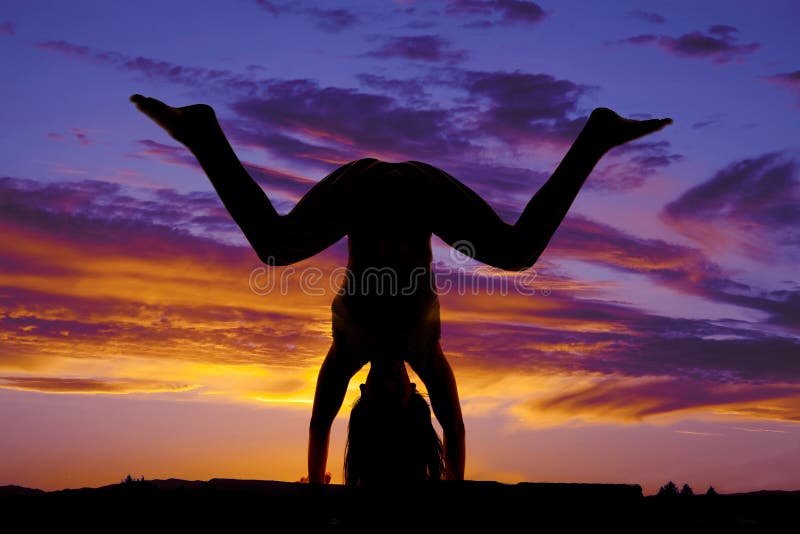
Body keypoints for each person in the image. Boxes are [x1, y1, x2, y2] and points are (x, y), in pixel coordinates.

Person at [131, 94, 671, 483]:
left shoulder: (345, 355)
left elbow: (321, 422)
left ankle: (201, 132)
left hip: (360, 191)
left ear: (361, 395)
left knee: (274, 246)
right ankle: (597, 135)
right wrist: (454, 487)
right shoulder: (427, 354)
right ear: (414, 396)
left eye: (370, 393)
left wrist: (318, 488)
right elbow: (454, 424)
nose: (384, 382)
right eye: (400, 392)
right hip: (419, 195)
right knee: (516, 253)